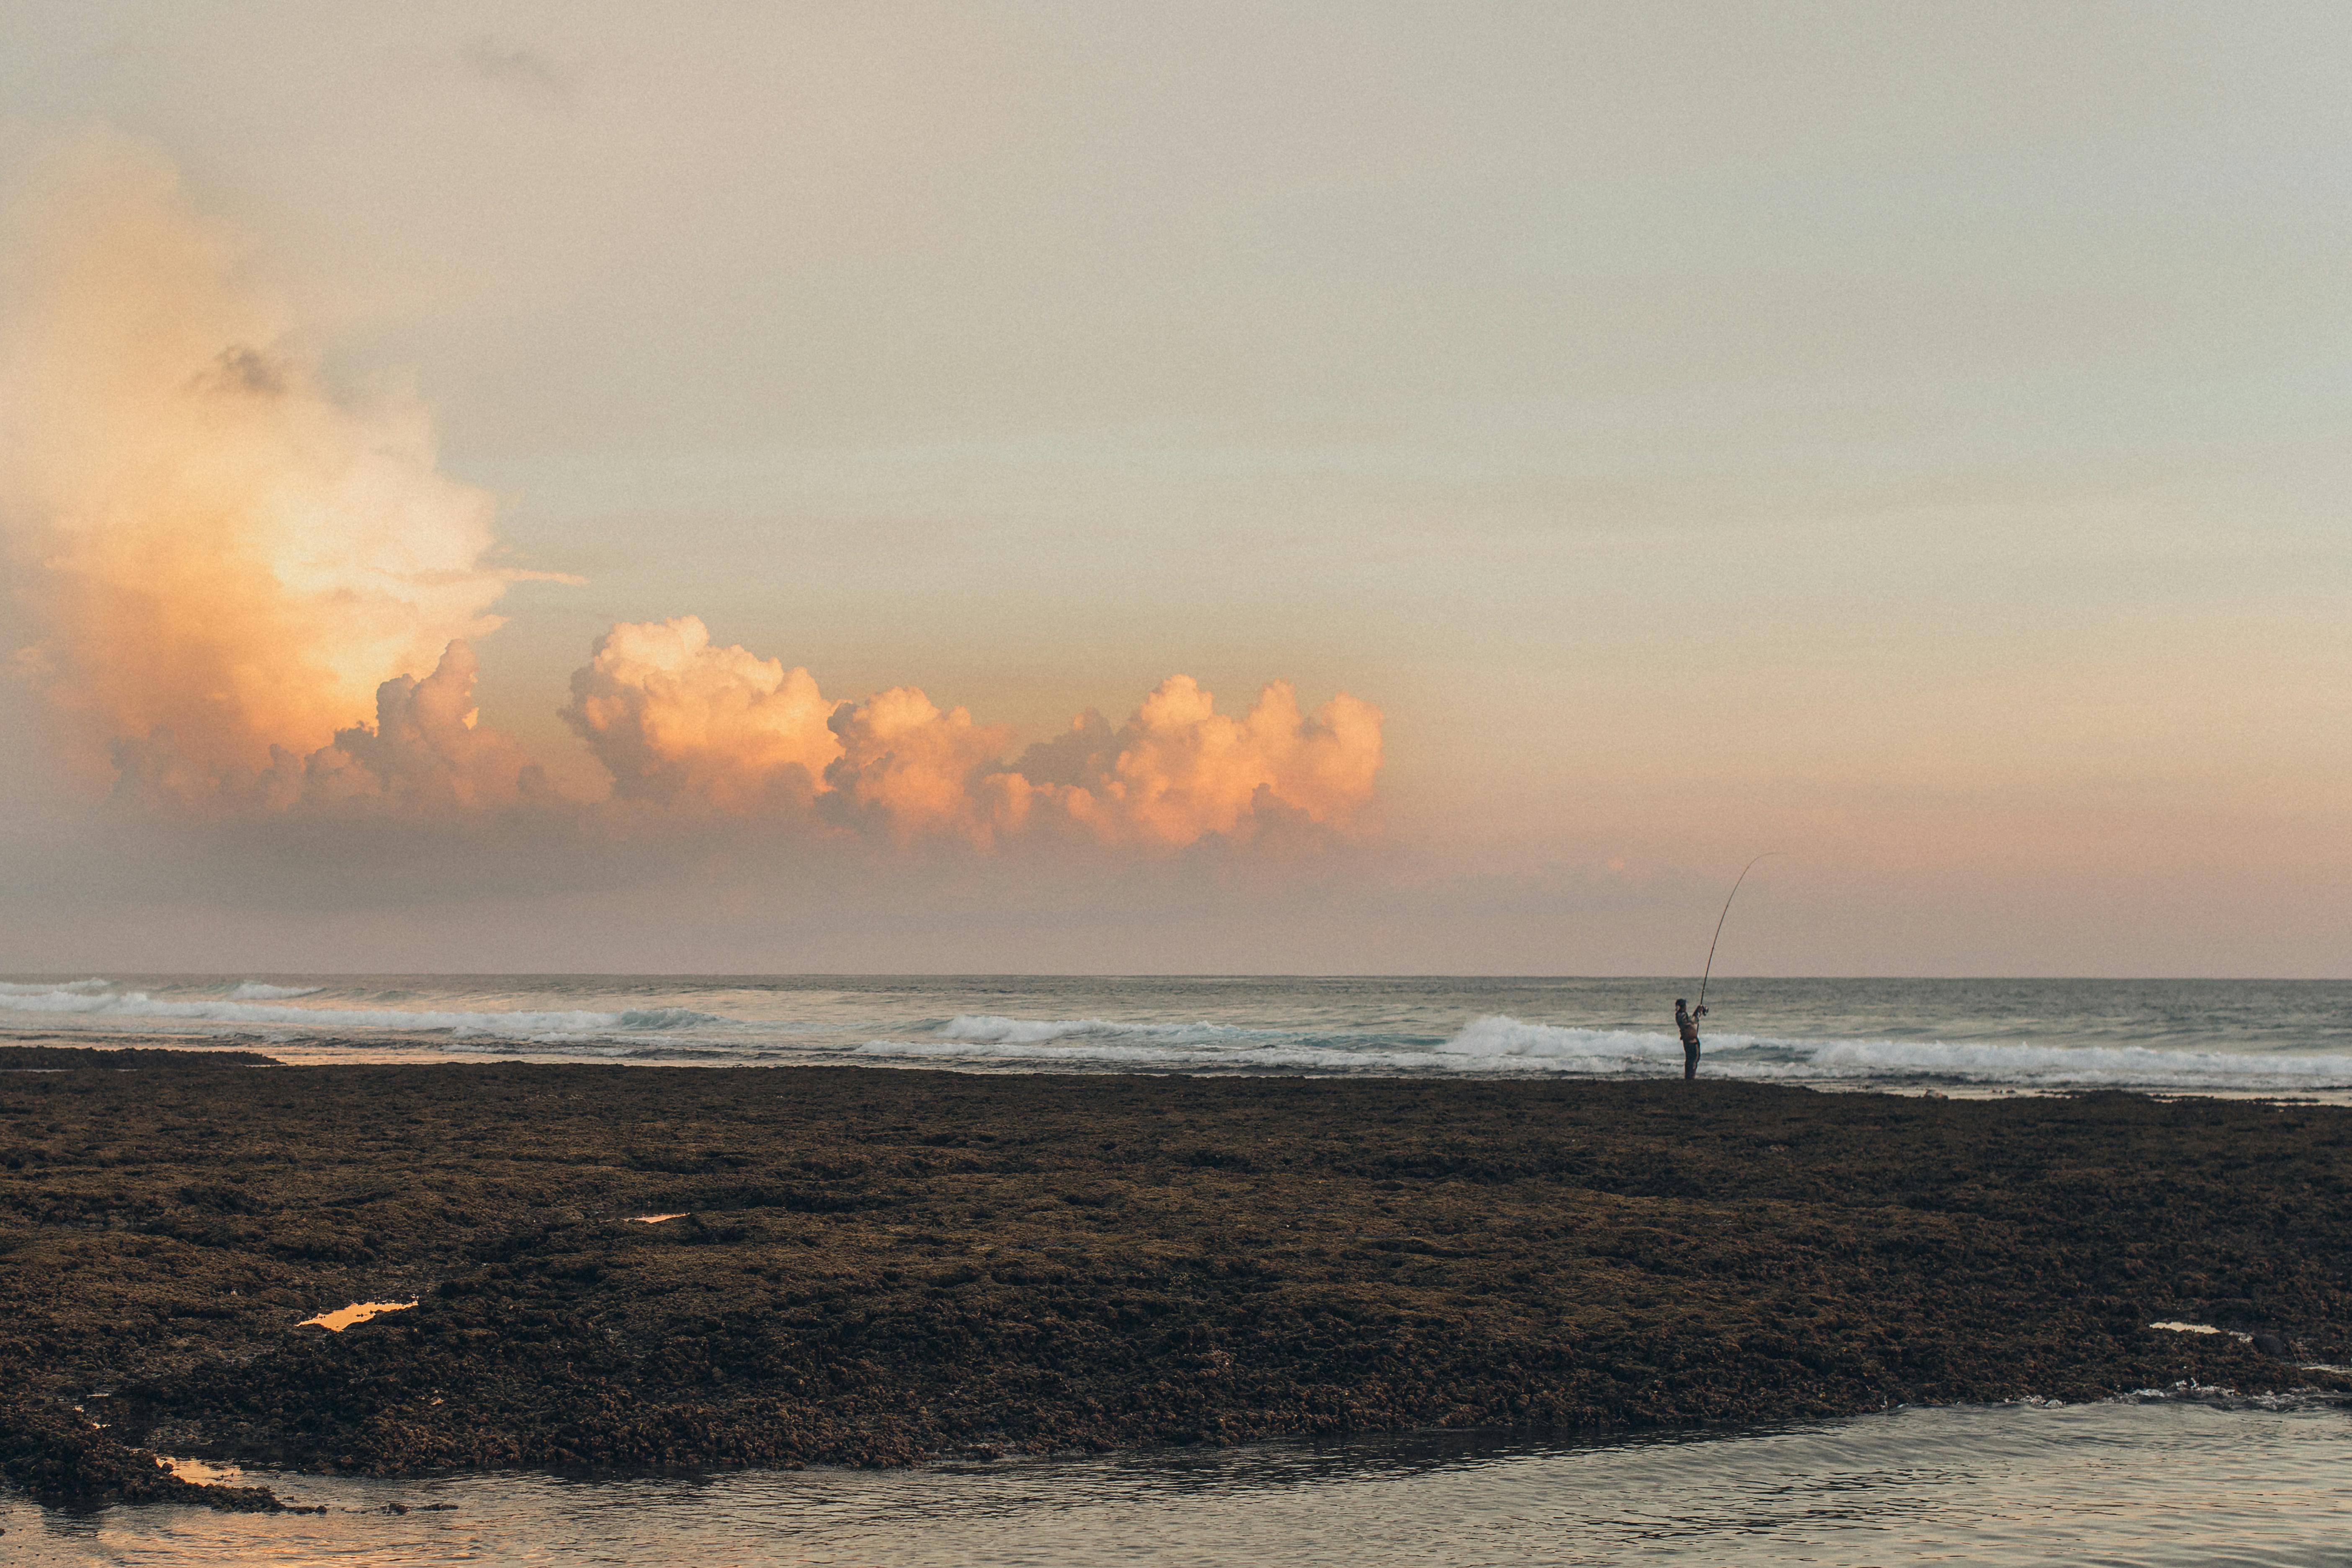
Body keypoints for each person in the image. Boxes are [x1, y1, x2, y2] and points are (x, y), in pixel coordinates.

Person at [1674, 998, 1707, 1080]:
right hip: (1691, 1041)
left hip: (1689, 1040)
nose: (1686, 1007)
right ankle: (1690, 1077)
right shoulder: (1682, 1016)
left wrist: (1697, 1012)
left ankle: (1690, 1076)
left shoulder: (1681, 1015)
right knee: (1694, 1058)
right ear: (1682, 1007)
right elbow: (1693, 1020)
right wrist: (1698, 1011)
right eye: (1684, 1005)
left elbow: (1693, 1019)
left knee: (1690, 1059)